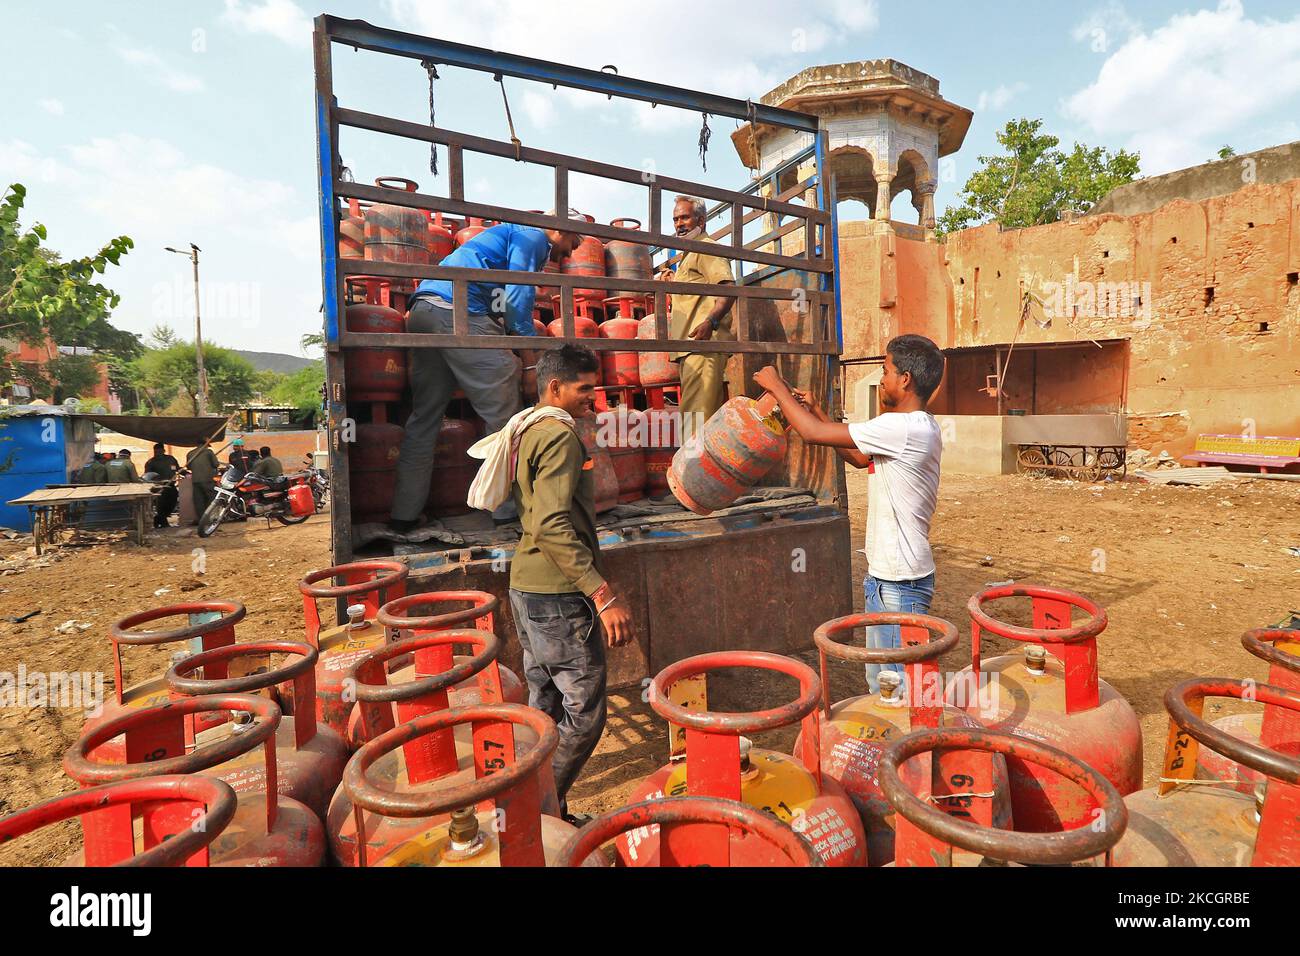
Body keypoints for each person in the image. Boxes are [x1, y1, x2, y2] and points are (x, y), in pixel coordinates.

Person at [753, 334, 946, 693]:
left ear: (905, 379)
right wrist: (815, 410)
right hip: (889, 578)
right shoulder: (917, 426)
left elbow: (811, 435)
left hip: (899, 583)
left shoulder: (902, 427)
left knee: (895, 688)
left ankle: (910, 747)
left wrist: (776, 386)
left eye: (886, 370)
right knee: (885, 681)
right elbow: (858, 457)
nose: (882, 378)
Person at [388, 212, 585, 532]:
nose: (571, 252)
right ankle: (508, 512)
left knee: (424, 418)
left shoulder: (508, 234)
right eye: (573, 242)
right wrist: (532, 363)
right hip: (457, 312)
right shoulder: (533, 235)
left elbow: (502, 303)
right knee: (505, 413)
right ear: (560, 228)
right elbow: (517, 299)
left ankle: (404, 514)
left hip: (423, 309)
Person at [508, 345, 633, 822]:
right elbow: (553, 524)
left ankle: (542, 807)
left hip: (528, 587)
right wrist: (601, 594)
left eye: (595, 388)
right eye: (584, 389)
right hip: (556, 595)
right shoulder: (560, 437)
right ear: (554, 387)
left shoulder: (530, 427)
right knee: (584, 712)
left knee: (544, 703)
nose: (593, 399)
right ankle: (538, 809)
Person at [657, 195, 737, 444]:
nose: (679, 224)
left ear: (701, 219)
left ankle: (693, 476)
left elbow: (727, 287)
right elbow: (696, 293)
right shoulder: (688, 255)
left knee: (697, 420)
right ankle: (698, 474)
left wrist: (710, 322)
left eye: (684, 217)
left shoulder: (706, 247)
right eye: (675, 219)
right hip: (691, 348)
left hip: (703, 346)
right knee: (695, 416)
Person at [143, 443, 181, 529]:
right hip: (159, 487)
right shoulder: (151, 462)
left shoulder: (171, 459)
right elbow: (148, 475)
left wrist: (185, 473)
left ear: (163, 450)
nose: (158, 453)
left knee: (172, 502)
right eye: (156, 451)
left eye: (160, 451)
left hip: (171, 485)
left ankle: (159, 519)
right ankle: (162, 521)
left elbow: (177, 469)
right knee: (161, 504)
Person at [186, 440, 221, 524]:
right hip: (208, 479)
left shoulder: (190, 453)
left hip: (195, 480)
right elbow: (216, 464)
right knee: (211, 499)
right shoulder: (208, 452)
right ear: (205, 444)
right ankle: (211, 518)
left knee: (199, 500)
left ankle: (201, 520)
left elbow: (189, 467)